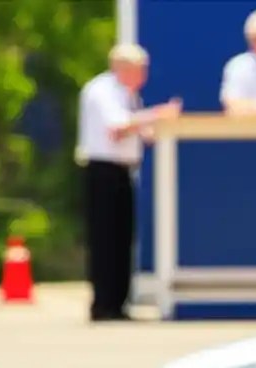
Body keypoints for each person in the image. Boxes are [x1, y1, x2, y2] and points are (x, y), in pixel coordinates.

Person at [77, 43, 181, 322]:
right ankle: (104, 304)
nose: (142, 75)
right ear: (122, 68)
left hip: (123, 170)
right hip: (103, 170)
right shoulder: (102, 90)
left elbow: (136, 130)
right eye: (138, 69)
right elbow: (117, 128)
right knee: (105, 239)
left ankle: (118, 302)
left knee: (123, 238)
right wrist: (158, 115)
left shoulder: (129, 95)